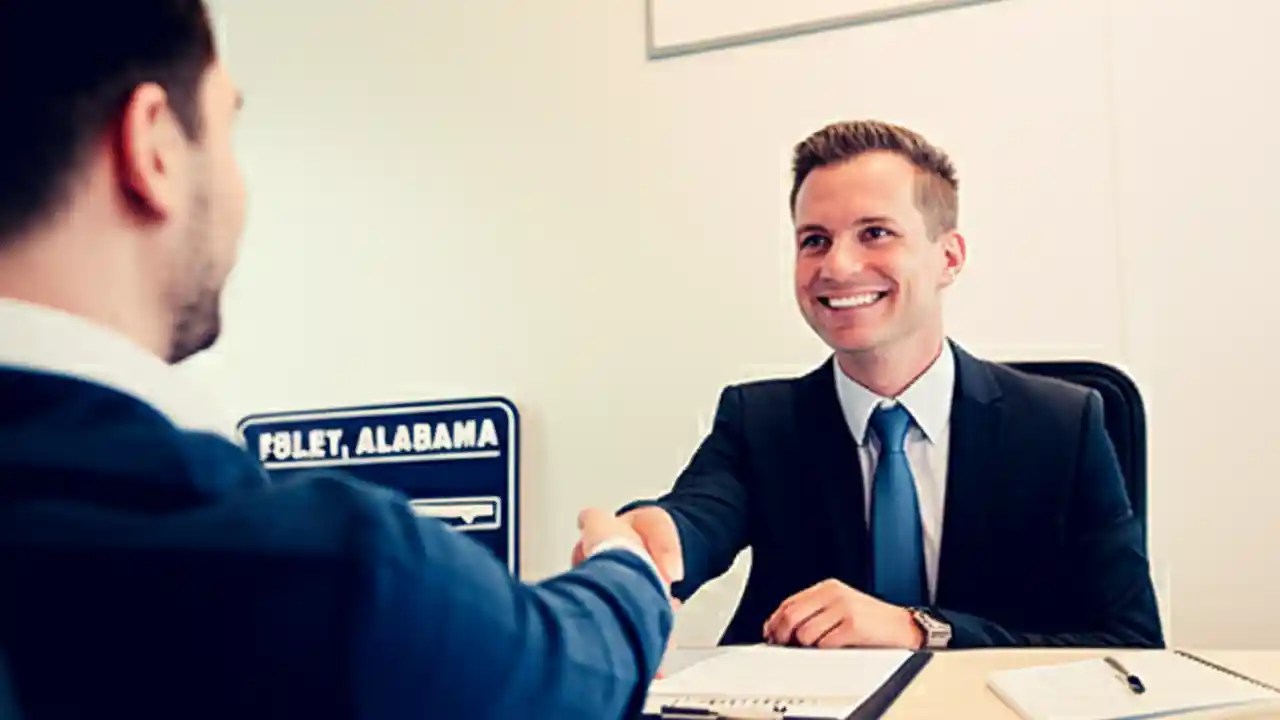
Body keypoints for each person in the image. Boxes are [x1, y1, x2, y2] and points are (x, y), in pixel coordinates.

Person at [0, 2, 671, 718]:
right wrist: (624, 565)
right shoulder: (328, 574)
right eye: (228, 128)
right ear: (154, 147)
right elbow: (570, 667)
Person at [599, 120, 1164, 650]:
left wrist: (921, 631)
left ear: (948, 256)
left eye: (875, 233)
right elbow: (699, 517)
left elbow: (1133, 646)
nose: (838, 266)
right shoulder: (759, 420)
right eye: (814, 240)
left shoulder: (1063, 425)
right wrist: (654, 539)